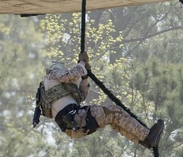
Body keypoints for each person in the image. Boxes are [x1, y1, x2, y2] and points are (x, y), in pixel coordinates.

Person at [33, 58, 165, 148]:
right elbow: (69, 75)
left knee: (114, 120)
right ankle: (147, 136)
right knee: (115, 111)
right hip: (76, 118)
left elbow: (81, 96)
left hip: (73, 126)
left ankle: (143, 141)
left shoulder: (55, 90)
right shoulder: (52, 75)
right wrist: (81, 65)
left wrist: (84, 77)